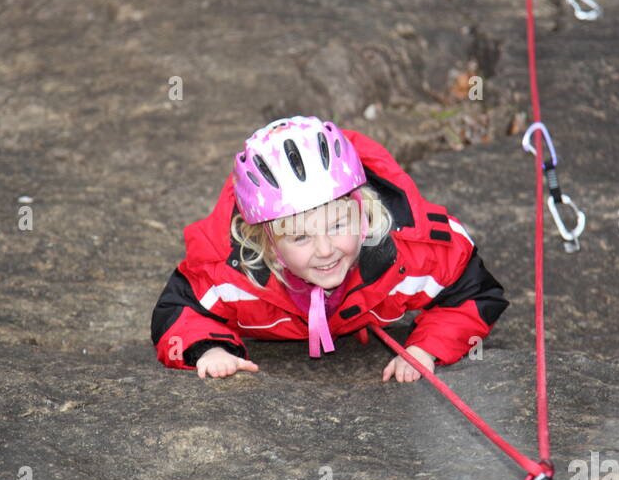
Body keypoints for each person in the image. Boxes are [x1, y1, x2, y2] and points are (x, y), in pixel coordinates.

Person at [151, 115, 508, 381]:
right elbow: (177, 312)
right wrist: (207, 349)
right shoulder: (229, 275)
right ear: (269, 246)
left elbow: (473, 294)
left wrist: (426, 349)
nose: (325, 250)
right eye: (300, 237)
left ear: (363, 214)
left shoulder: (412, 254)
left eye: (339, 226)